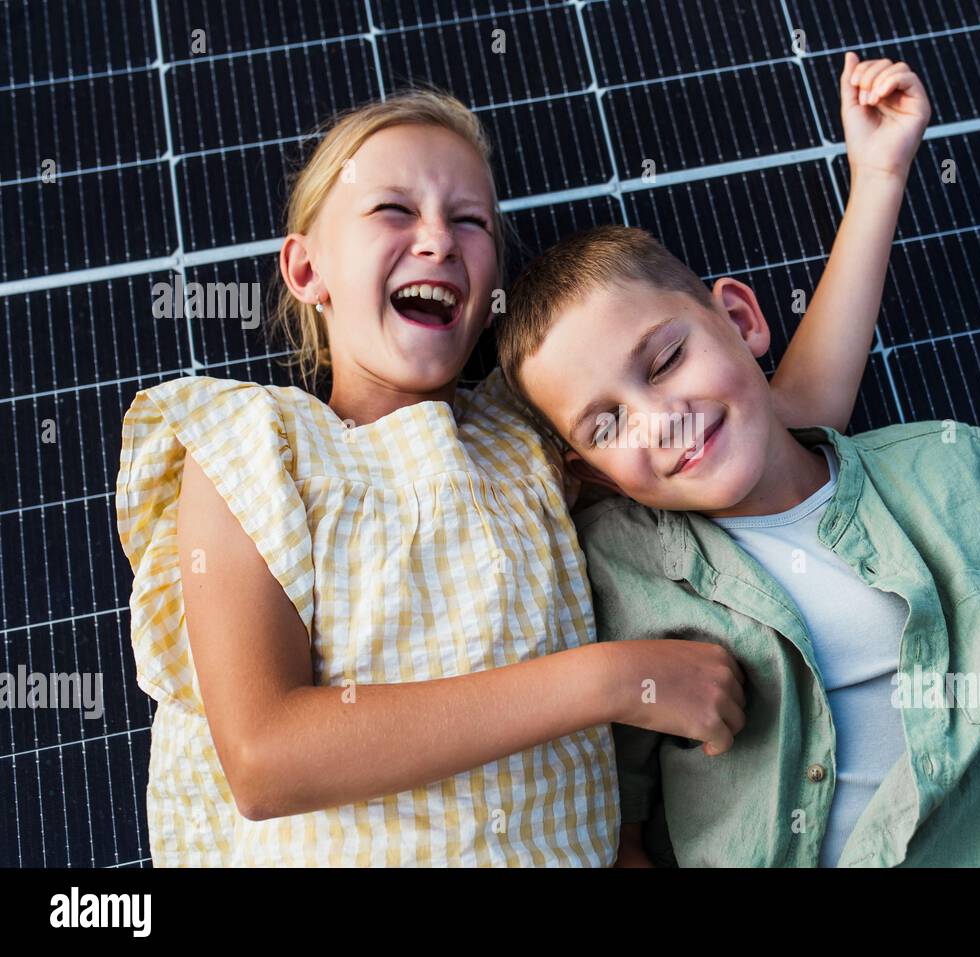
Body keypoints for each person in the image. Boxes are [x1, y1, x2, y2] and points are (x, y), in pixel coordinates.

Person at [114, 53, 903, 866]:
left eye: (472, 223)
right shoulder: (252, 443)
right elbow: (265, 758)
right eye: (393, 210)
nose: (437, 240)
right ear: (307, 267)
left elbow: (779, 423)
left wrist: (877, 179)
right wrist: (607, 680)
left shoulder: (527, 442)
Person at [496, 88, 980, 868]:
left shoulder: (952, 468)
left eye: (665, 360)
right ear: (592, 473)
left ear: (741, 319)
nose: (661, 421)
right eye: (606, 424)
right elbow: (618, 824)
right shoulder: (618, 572)